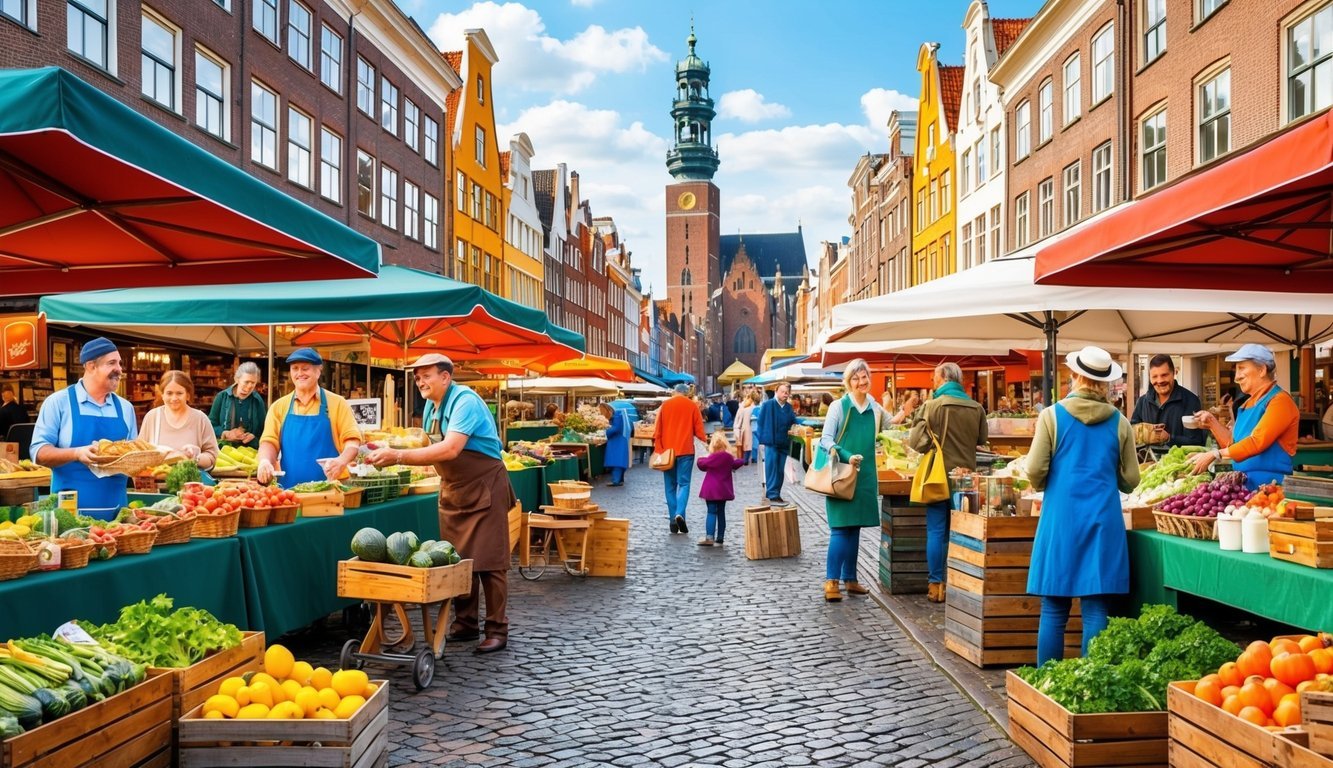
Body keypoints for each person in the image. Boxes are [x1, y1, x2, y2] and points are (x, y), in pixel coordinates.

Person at [368, 354, 513, 654]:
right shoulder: (433, 406)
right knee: (457, 558)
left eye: (426, 375)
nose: (420, 381)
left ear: (445, 377)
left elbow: (450, 448)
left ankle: (497, 628)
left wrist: (397, 456)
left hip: (484, 486)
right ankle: (466, 623)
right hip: (455, 490)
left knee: (490, 562)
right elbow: (427, 445)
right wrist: (385, 447)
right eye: (417, 376)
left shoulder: (466, 401)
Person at [1026, 346, 1139, 665]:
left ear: (1075, 376)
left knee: (1054, 608)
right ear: (1105, 383)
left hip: (1060, 519)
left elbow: (1035, 470)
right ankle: (1093, 683)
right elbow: (1131, 478)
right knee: (1096, 608)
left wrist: (1044, 485)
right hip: (1104, 520)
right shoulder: (1120, 422)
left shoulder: (1051, 416)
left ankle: (1047, 683)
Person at [31, 337, 138, 515]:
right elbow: (39, 453)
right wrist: (76, 453)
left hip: (118, 515)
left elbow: (133, 456)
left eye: (119, 363)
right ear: (90, 366)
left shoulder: (126, 408)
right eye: (111, 363)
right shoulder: (58, 402)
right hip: (70, 515)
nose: (119, 369)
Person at [908, 362, 988, 603]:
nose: (933, 381)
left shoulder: (930, 407)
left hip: (937, 476)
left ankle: (936, 585)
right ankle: (961, 583)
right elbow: (982, 439)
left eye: (934, 377)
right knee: (962, 531)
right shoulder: (976, 407)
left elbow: (915, 442)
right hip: (966, 479)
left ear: (943, 377)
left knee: (936, 531)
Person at [819, 359, 889, 602]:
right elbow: (825, 440)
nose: (861, 382)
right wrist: (847, 456)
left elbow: (892, 428)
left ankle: (850, 580)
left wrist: (909, 410)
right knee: (840, 529)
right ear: (848, 382)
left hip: (866, 477)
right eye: (856, 378)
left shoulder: (876, 408)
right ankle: (831, 582)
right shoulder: (839, 406)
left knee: (855, 529)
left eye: (864, 377)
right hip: (841, 474)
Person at [1189, 344, 1300, 490]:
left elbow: (1257, 442)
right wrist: (1211, 422)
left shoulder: (1280, 401)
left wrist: (1215, 454)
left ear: (1262, 370)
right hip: (1244, 484)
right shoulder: (1246, 404)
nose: (1236, 377)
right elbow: (1233, 445)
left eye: (1241, 368)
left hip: (1270, 486)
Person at [255, 348, 360, 488]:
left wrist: (341, 461)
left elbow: (352, 442)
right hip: (289, 491)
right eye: (295, 369)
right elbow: (269, 442)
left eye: (305, 369)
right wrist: (265, 461)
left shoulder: (337, 403)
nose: (299, 373)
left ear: (318, 371)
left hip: (331, 489)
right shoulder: (279, 407)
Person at [653, 383, 707, 534]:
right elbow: (699, 431)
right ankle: (679, 513)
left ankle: (673, 521)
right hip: (686, 450)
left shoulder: (665, 406)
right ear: (686, 393)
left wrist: (659, 450)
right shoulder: (692, 406)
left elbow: (657, 431)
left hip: (667, 453)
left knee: (670, 487)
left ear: (674, 392)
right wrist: (707, 442)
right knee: (684, 484)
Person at [140, 371, 219, 471]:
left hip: (191, 483)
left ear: (188, 395)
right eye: (169, 393)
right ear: (162, 395)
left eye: (179, 393)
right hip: (157, 483)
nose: (174, 398)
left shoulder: (200, 419)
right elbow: (140, 453)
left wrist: (195, 458)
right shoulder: (152, 417)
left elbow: (212, 456)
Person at [1130, 354, 1207, 447]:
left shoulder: (1191, 400)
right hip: (1148, 460)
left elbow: (1196, 441)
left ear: (1174, 373)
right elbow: (1131, 434)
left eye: (1164, 375)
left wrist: (1169, 438)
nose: (1160, 380)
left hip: (1178, 460)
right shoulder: (1142, 402)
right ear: (1150, 378)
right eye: (1155, 376)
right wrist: (1144, 432)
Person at [696, 431, 745, 546]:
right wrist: (742, 459)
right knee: (721, 512)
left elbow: (701, 464)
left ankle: (709, 537)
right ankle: (720, 537)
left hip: (711, 490)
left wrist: (701, 457)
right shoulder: (728, 458)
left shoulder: (711, 457)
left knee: (711, 512)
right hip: (723, 490)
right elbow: (738, 463)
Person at [755, 382, 797, 504]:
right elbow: (760, 422)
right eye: (783, 391)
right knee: (771, 467)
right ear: (776, 391)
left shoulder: (789, 407)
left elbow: (793, 421)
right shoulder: (768, 405)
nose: (785, 394)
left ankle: (777, 493)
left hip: (783, 442)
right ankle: (772, 494)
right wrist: (762, 439)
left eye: (787, 392)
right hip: (771, 442)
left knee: (779, 469)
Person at [208, 362, 267, 447]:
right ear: (237, 379)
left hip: (250, 451)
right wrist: (225, 433)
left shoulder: (257, 400)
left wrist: (253, 436)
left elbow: (265, 429)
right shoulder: (222, 397)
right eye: (246, 382)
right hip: (224, 451)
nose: (249, 386)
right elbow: (210, 425)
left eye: (253, 383)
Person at [600, 402, 630, 487]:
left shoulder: (617, 415)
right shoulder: (618, 414)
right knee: (619, 461)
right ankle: (619, 479)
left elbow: (615, 428)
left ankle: (616, 480)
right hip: (618, 440)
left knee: (616, 461)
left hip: (617, 441)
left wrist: (605, 432)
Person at [733, 391, 756, 465]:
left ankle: (743, 460)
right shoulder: (752, 407)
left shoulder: (743, 407)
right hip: (747, 427)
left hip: (743, 427)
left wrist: (737, 427)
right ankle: (745, 459)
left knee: (744, 445)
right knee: (747, 444)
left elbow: (738, 419)